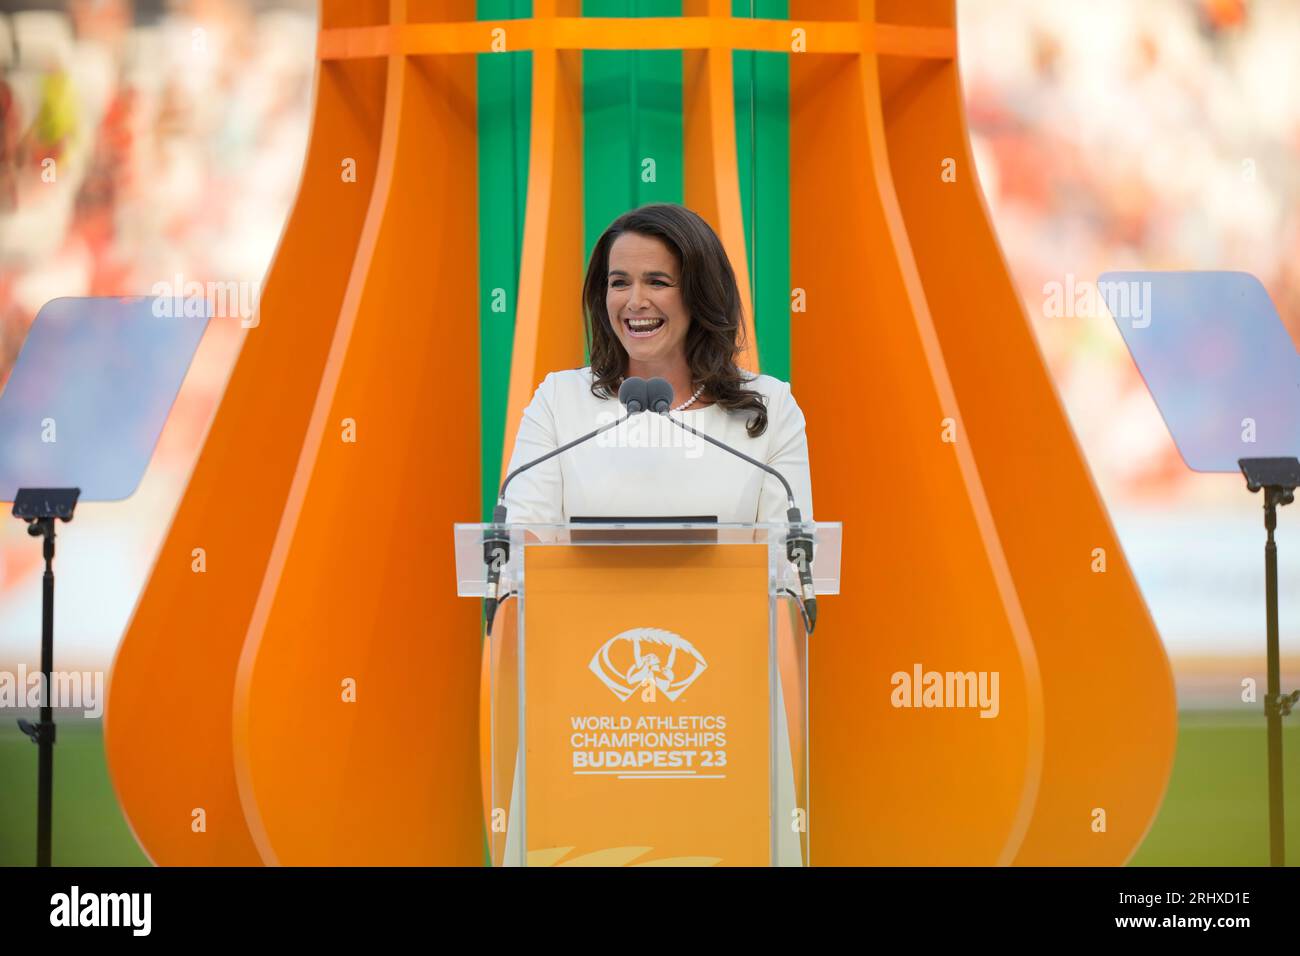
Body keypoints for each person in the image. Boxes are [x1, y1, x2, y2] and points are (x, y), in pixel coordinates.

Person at [502, 202, 814, 526]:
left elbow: (789, 561)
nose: (635, 302)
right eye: (619, 283)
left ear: (701, 294)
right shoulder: (559, 400)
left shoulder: (770, 405)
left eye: (658, 282)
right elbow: (522, 548)